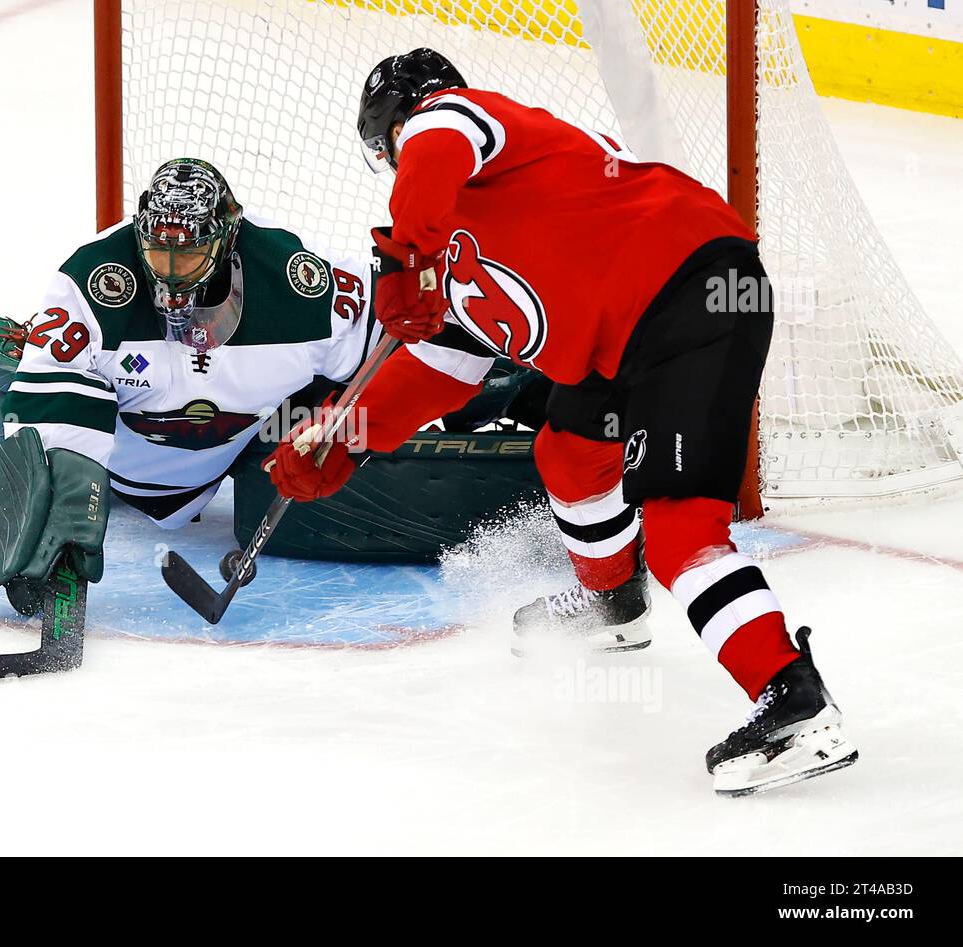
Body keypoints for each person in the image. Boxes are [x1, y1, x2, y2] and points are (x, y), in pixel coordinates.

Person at [263, 49, 857, 796]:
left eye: (387, 148)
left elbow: (436, 137)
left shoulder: (466, 125)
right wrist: (347, 435)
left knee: (682, 533)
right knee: (569, 450)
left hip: (694, 294)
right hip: (620, 343)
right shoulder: (447, 244)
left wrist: (403, 253)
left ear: (392, 134)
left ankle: (794, 699)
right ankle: (614, 600)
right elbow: (441, 370)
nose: (390, 161)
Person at [0, 157, 381, 615]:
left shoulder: (304, 285)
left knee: (322, 408)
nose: (173, 274)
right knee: (9, 427)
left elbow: (392, 346)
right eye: (160, 254)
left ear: (228, 237)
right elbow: (47, 413)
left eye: (190, 254)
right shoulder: (94, 278)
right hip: (111, 462)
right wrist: (50, 507)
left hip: (221, 454)